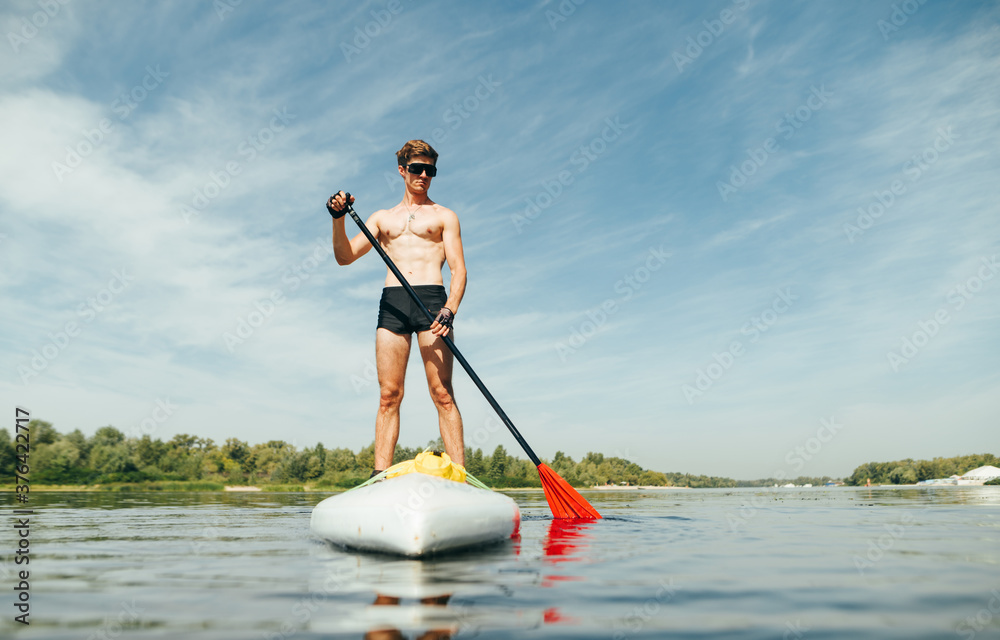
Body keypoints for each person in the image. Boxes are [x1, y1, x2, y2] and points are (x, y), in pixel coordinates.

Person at [327, 140, 467, 476]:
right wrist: (337, 219)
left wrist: (450, 308)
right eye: (417, 169)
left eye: (430, 170)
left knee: (442, 392)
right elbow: (344, 258)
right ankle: (379, 476)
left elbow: (459, 270)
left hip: (433, 303)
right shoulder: (381, 219)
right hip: (393, 303)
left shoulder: (444, 216)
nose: (423, 176)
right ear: (402, 170)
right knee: (389, 394)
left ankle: (459, 474)